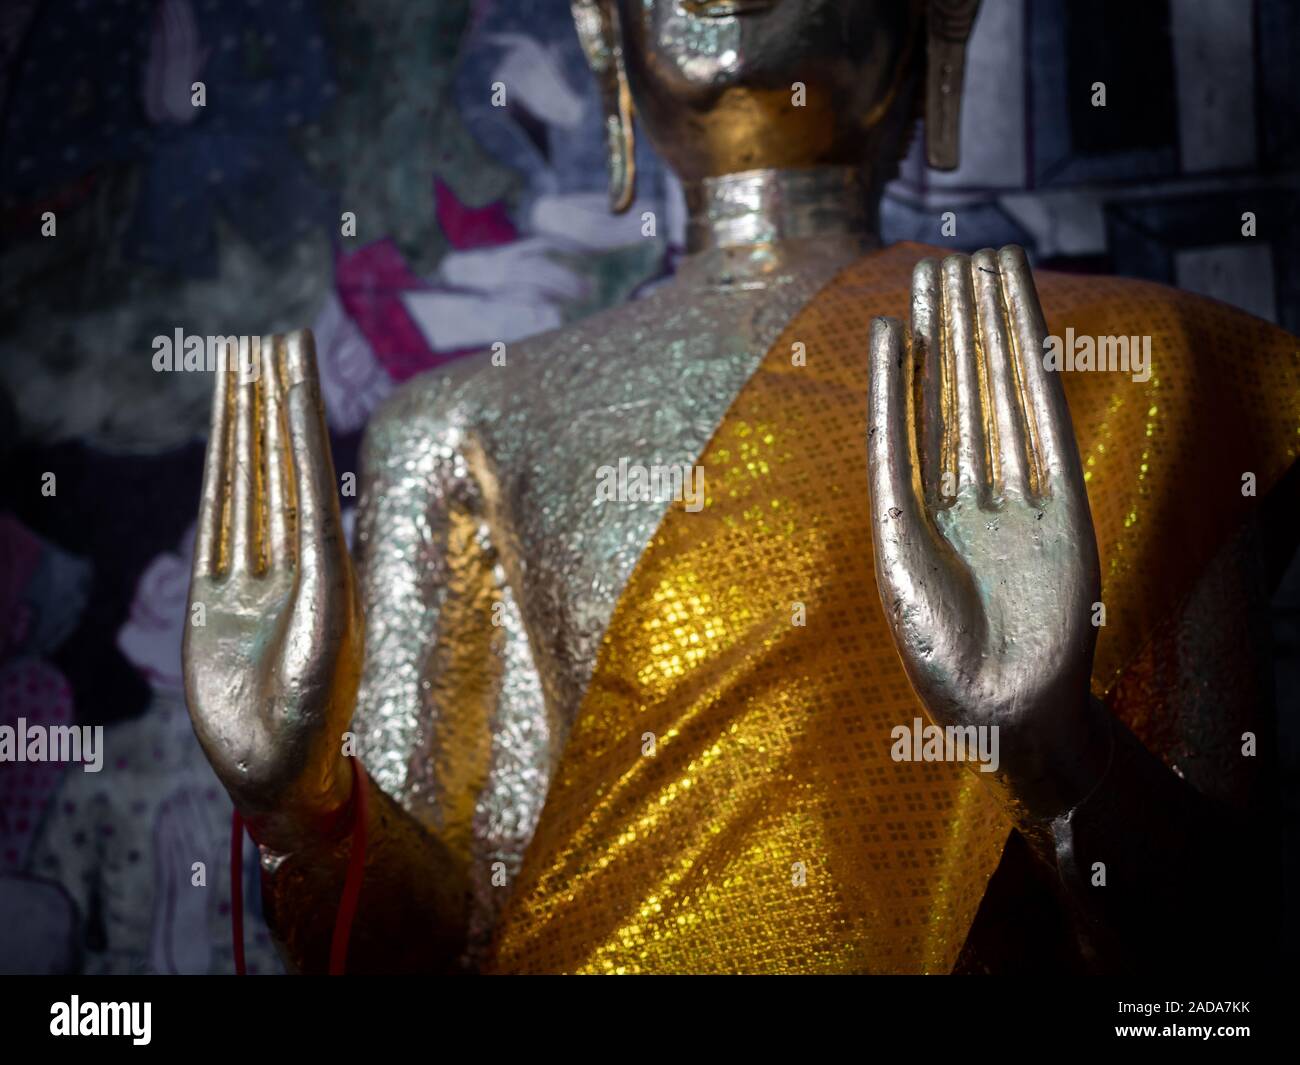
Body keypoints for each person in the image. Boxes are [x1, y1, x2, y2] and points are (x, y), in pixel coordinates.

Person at [184, 0, 1296, 973]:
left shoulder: (1131, 370)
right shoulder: (462, 425)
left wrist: (1055, 751)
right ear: (599, 27)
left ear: (935, 17)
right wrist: (302, 810)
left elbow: (1207, 968)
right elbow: (437, 945)